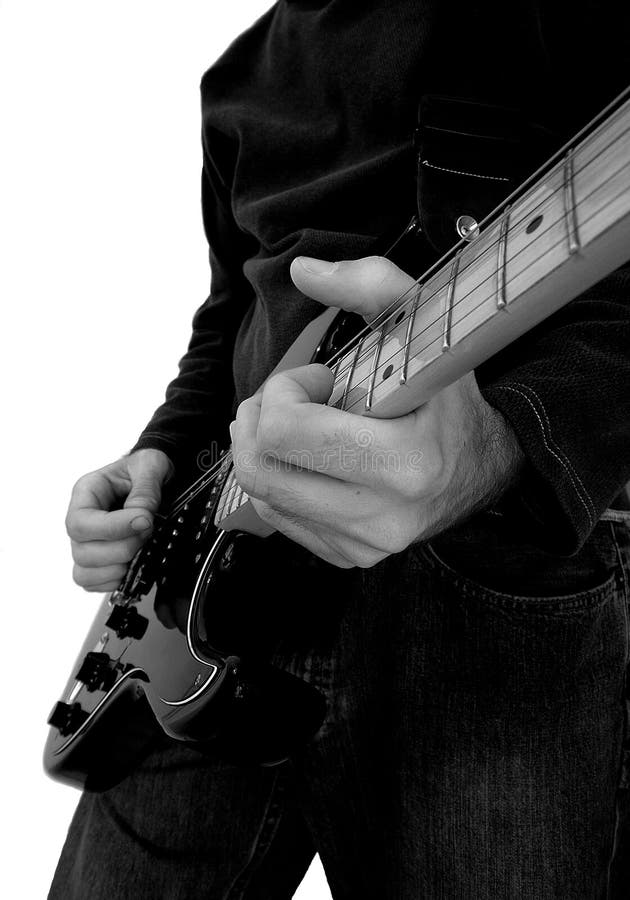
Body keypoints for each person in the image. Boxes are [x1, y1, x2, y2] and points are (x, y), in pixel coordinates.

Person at [49, 2, 630, 897]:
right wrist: (158, 456)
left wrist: (504, 442)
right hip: (210, 577)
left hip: (490, 567)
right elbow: (227, 318)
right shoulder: (238, 75)